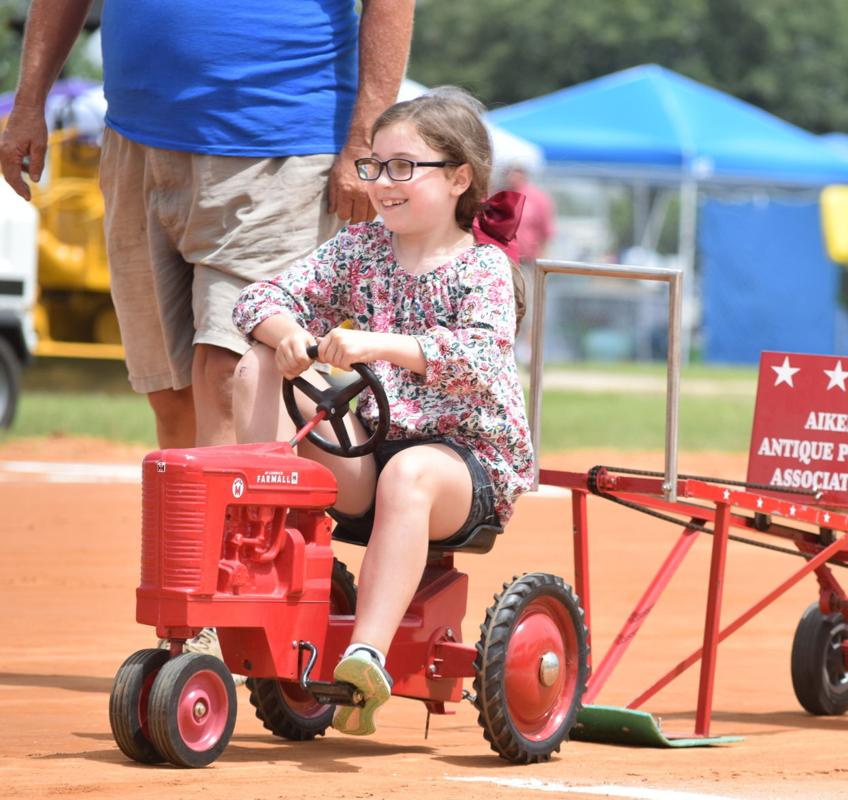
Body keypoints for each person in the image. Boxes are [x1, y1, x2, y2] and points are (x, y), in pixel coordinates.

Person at [231, 87, 535, 736]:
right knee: (258, 363)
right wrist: (287, 333)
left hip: (464, 463)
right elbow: (259, 297)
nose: (381, 183)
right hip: (371, 448)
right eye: (373, 166)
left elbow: (480, 358)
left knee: (410, 474)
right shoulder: (361, 249)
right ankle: (261, 549)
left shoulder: (482, 266)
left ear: (458, 179)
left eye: (402, 167)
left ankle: (365, 657)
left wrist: (378, 344)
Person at [0, 0, 414, 449]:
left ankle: (262, 499)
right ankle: (201, 501)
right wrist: (28, 102)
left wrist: (364, 143)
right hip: (134, 140)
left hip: (279, 143)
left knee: (234, 374)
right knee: (170, 391)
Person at [500, 161, 556, 262]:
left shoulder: (538, 198)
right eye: (509, 172)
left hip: (527, 260)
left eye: (516, 172)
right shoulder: (499, 196)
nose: (512, 176)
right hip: (503, 258)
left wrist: (541, 260)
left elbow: (546, 232)